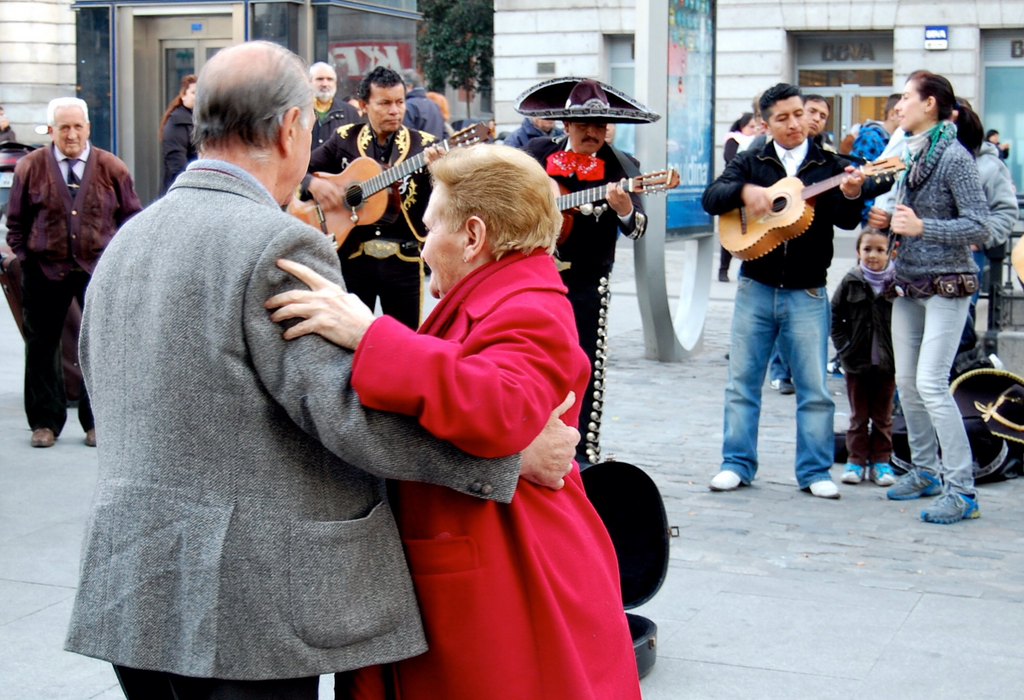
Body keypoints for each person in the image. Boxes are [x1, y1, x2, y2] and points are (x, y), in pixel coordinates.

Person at [63, 41, 576, 700]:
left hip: (131, 590)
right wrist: (510, 460)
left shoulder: (130, 238)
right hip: (246, 614)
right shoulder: (277, 243)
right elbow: (348, 417)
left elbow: (97, 384)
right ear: (290, 129)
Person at [267, 143, 641, 700]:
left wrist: (372, 337)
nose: (422, 249)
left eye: (429, 229)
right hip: (490, 552)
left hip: (512, 566)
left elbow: (499, 406)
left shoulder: (529, 303)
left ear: (472, 236)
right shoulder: (501, 291)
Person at [702, 83, 866, 499]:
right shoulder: (752, 159)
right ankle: (736, 463)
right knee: (742, 382)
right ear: (767, 122)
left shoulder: (828, 164)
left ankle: (814, 471)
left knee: (813, 388)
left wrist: (852, 193)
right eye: (784, 118)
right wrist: (746, 192)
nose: (795, 124)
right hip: (755, 286)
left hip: (807, 292)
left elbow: (846, 221)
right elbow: (712, 197)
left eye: (799, 114)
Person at [865, 71, 991, 523]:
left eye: (906, 98)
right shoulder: (905, 153)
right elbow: (899, 216)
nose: (899, 106)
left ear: (930, 104)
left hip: (947, 284)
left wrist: (924, 227)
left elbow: (980, 225)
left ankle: (963, 490)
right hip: (908, 282)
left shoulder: (954, 157)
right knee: (908, 384)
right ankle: (925, 471)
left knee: (933, 386)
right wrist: (883, 219)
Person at [518, 77, 658, 466]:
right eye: (584, 125)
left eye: (600, 125)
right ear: (567, 126)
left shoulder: (623, 167)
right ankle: (524, 437)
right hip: (534, 277)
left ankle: (581, 453)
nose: (593, 132)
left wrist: (625, 208)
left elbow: (638, 227)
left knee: (583, 365)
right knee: (528, 358)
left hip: (585, 281)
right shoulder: (534, 153)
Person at [5, 97, 141, 449]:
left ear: (88, 128)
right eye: (63, 127)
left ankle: (95, 422)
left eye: (78, 126)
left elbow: (131, 219)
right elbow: (15, 221)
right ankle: (45, 422)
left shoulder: (112, 168)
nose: (71, 134)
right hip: (44, 269)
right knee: (41, 346)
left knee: (98, 346)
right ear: (51, 130)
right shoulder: (30, 167)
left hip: (97, 270)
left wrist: (118, 263)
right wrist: (26, 259)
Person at [303, 66, 435, 330]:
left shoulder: (425, 145)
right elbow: (300, 168)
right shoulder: (344, 138)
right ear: (364, 105)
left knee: (405, 343)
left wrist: (444, 170)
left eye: (399, 102)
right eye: (384, 103)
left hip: (404, 262)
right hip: (352, 257)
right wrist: (314, 183)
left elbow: (450, 193)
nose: (395, 111)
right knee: (347, 342)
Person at [831, 228, 898, 487]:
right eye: (867, 249)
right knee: (858, 416)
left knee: (883, 416)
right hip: (856, 362)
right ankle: (855, 460)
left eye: (880, 250)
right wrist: (844, 348)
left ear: (891, 252)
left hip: (887, 364)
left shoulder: (896, 284)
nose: (873, 255)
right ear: (858, 251)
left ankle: (881, 461)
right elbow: (835, 316)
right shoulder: (851, 281)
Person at [849, 94, 902, 224]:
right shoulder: (870, 137)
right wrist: (868, 213)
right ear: (892, 114)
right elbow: (857, 172)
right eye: (901, 112)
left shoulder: (897, 140)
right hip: (874, 215)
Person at [718, 112, 758, 282]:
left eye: (757, 127)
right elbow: (729, 158)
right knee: (732, 228)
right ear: (742, 127)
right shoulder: (734, 140)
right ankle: (723, 269)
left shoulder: (760, 141)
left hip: (755, 191)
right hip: (735, 189)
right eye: (751, 127)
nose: (755, 130)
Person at [309, 62, 363, 151]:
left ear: (335, 83)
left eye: (329, 79)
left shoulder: (350, 112)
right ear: (309, 82)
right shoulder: (300, 111)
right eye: (320, 79)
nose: (325, 84)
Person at [159, 74, 197, 194]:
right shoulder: (177, 122)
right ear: (183, 95)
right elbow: (177, 165)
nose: (198, 97)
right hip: (182, 192)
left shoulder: (203, 120)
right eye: (194, 93)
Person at [401, 69, 445, 141]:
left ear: (409, 86)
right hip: (436, 150)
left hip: (418, 151)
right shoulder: (433, 104)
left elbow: (404, 139)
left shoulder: (408, 106)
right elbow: (444, 134)